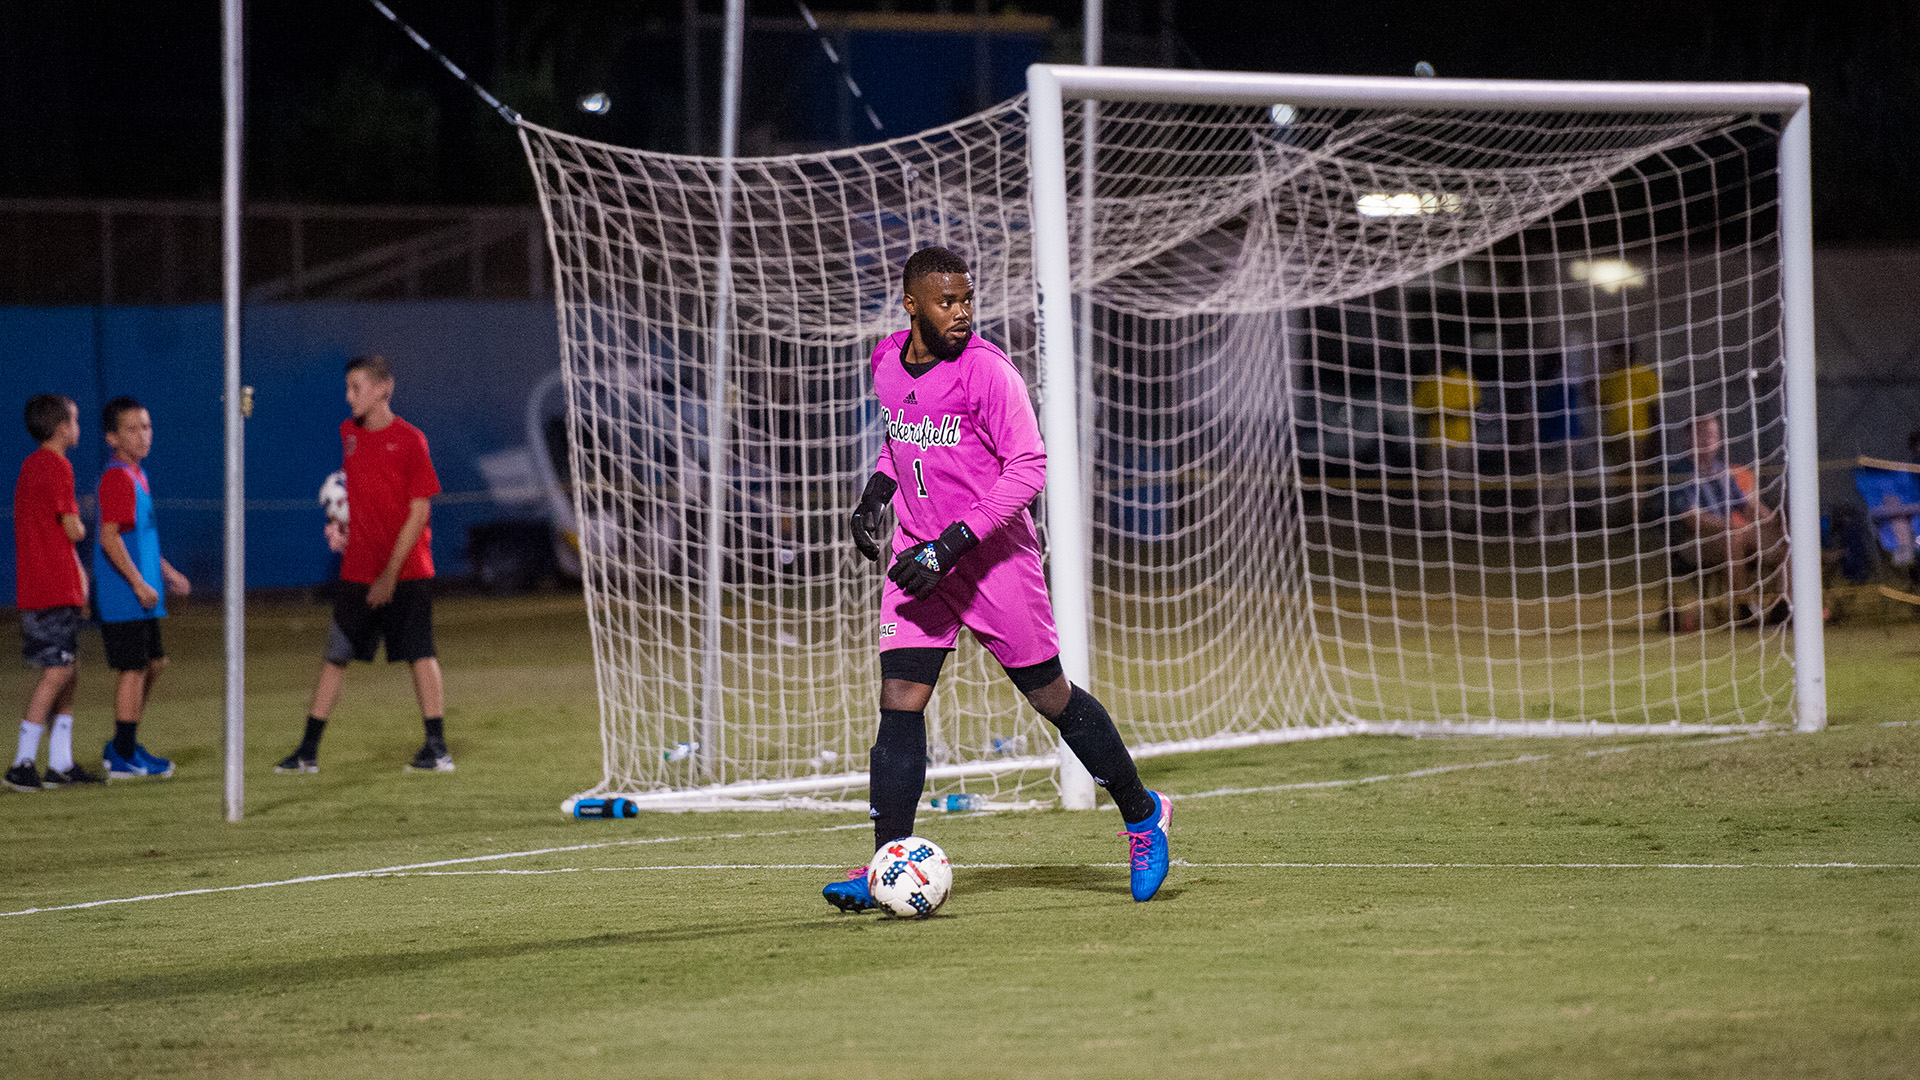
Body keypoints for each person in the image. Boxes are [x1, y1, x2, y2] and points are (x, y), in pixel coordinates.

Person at [824, 245, 1172, 913]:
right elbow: (904, 441)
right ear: (912, 305)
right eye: (945, 301)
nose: (960, 312)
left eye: (965, 299)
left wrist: (951, 544)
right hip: (919, 562)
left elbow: (1028, 468)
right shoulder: (885, 362)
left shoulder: (988, 372)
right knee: (900, 698)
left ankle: (1142, 812)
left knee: (1049, 696)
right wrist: (875, 491)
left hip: (991, 561)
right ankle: (885, 865)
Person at [275, 355, 450, 774]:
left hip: (406, 572)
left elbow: (418, 511)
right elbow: (361, 494)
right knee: (336, 656)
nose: (348, 396)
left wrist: (390, 574)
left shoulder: (411, 440)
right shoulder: (347, 435)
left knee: (419, 654)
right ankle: (308, 752)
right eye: (347, 387)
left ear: (383, 389)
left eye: (356, 387)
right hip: (358, 570)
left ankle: (437, 748)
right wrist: (341, 526)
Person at [7, 394, 102, 792]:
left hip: (41, 584)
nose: (78, 427)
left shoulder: (30, 467)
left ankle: (60, 762)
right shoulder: (58, 465)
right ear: (62, 427)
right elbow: (71, 529)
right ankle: (22, 761)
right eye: (75, 420)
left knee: (69, 669)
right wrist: (82, 518)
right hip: (51, 586)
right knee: (58, 670)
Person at [94, 397, 190, 779]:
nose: (143, 435)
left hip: (144, 595)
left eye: (146, 426)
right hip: (125, 597)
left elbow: (142, 539)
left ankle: (125, 744)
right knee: (133, 670)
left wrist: (167, 573)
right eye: (132, 429)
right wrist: (137, 582)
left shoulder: (138, 475)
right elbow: (109, 537)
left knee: (154, 663)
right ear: (112, 437)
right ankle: (122, 756)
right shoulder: (117, 476)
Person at [1669, 414, 1784, 621]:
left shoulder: (1723, 470)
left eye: (1713, 434)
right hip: (1692, 542)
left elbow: (1746, 506)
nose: (1708, 439)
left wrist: (1775, 521)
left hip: (1732, 533)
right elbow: (1692, 519)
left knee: (1784, 539)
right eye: (1702, 434)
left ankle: (1783, 605)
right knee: (1733, 539)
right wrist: (1727, 527)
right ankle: (1744, 609)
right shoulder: (1679, 472)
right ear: (1689, 439)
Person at [1410, 358, 1481, 532]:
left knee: (1463, 484)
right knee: (1436, 486)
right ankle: (1437, 525)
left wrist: (1451, 413)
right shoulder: (1429, 381)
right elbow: (1419, 411)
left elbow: (1474, 407)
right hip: (1436, 442)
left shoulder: (1465, 378)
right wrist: (1437, 413)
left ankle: (1465, 524)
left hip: (1461, 441)